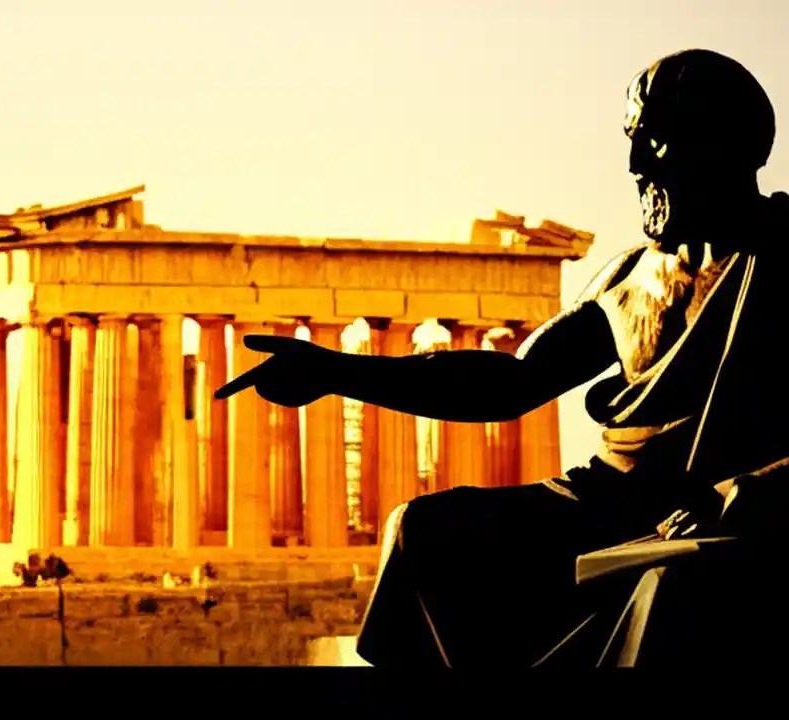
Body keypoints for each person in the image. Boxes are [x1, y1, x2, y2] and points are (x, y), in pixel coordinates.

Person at [216, 48, 789, 667]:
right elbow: (512, 383)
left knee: (672, 594)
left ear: (721, 143)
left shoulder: (786, 253)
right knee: (423, 533)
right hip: (605, 499)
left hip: (724, 504)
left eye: (652, 141)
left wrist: (747, 491)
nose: (631, 165)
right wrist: (338, 372)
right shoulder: (629, 278)